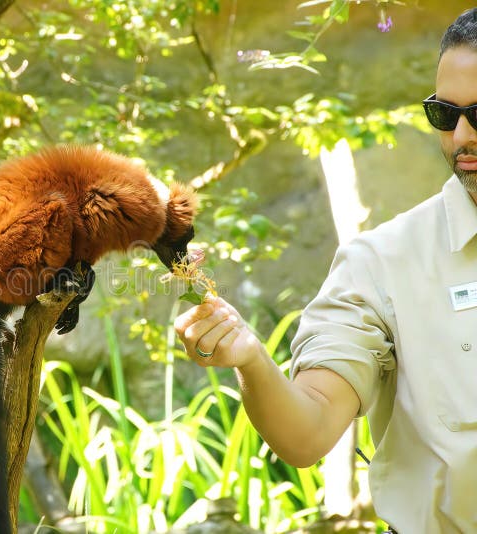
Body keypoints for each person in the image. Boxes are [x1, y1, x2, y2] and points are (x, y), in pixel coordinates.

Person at [175, 8, 477, 534]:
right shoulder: (383, 262)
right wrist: (251, 358)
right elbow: (306, 432)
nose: (462, 137)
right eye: (445, 116)